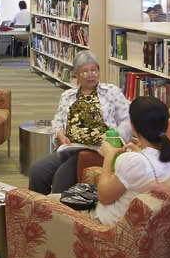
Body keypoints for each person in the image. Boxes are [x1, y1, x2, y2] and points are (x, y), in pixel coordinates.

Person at [27, 50, 132, 194]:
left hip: (98, 150)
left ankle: (59, 214)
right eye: (85, 71)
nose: (91, 75)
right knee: (37, 170)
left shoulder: (111, 92)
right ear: (76, 74)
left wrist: (113, 137)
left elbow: (126, 120)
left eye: (94, 70)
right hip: (70, 147)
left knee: (61, 178)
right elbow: (57, 121)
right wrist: (59, 133)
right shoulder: (67, 96)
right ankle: (39, 211)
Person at [88, 95, 170, 226]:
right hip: (151, 229)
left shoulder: (133, 162)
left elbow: (104, 197)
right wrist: (140, 153)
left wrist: (108, 156)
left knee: (53, 201)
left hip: (110, 227)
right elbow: (150, 168)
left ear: (133, 127)